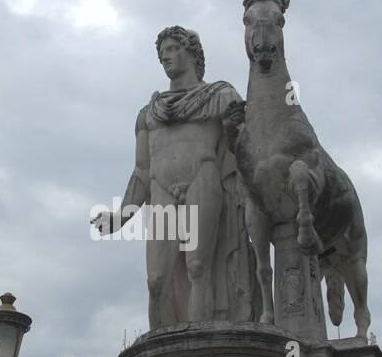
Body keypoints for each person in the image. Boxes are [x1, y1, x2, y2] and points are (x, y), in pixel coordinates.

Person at [91, 26, 257, 327]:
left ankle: (199, 343)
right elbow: (142, 170)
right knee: (156, 279)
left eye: (171, 49)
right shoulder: (149, 113)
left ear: (191, 52)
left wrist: (236, 131)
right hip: (161, 189)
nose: (165, 58)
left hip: (203, 179)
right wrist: (122, 215)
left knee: (198, 267)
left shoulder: (220, 96)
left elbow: (240, 152)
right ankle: (162, 354)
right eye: (161, 53)